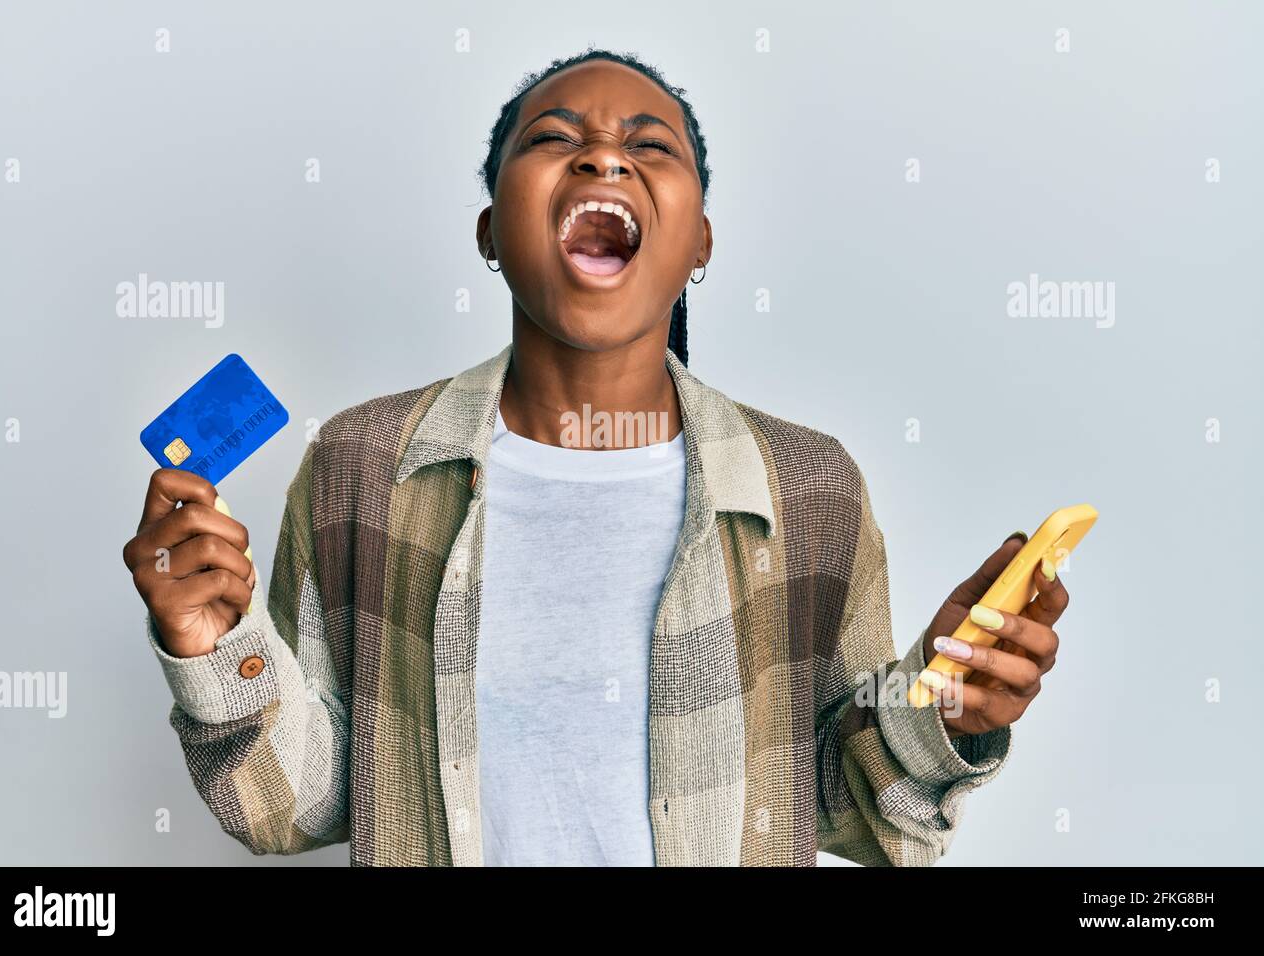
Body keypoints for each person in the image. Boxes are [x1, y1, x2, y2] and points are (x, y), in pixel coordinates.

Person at [122, 48, 1069, 866]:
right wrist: (216, 649)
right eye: (550, 138)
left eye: (651, 145)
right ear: (491, 230)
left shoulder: (807, 486)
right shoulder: (363, 465)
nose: (604, 154)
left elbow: (833, 800)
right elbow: (313, 801)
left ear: (699, 242)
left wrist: (940, 705)